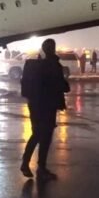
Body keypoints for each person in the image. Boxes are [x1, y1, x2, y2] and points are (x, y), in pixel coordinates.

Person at [20, 38, 70, 179]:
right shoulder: (54, 65)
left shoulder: (35, 65)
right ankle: (40, 168)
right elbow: (63, 86)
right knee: (45, 137)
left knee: (36, 134)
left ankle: (27, 163)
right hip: (48, 106)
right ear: (53, 49)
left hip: (35, 105)